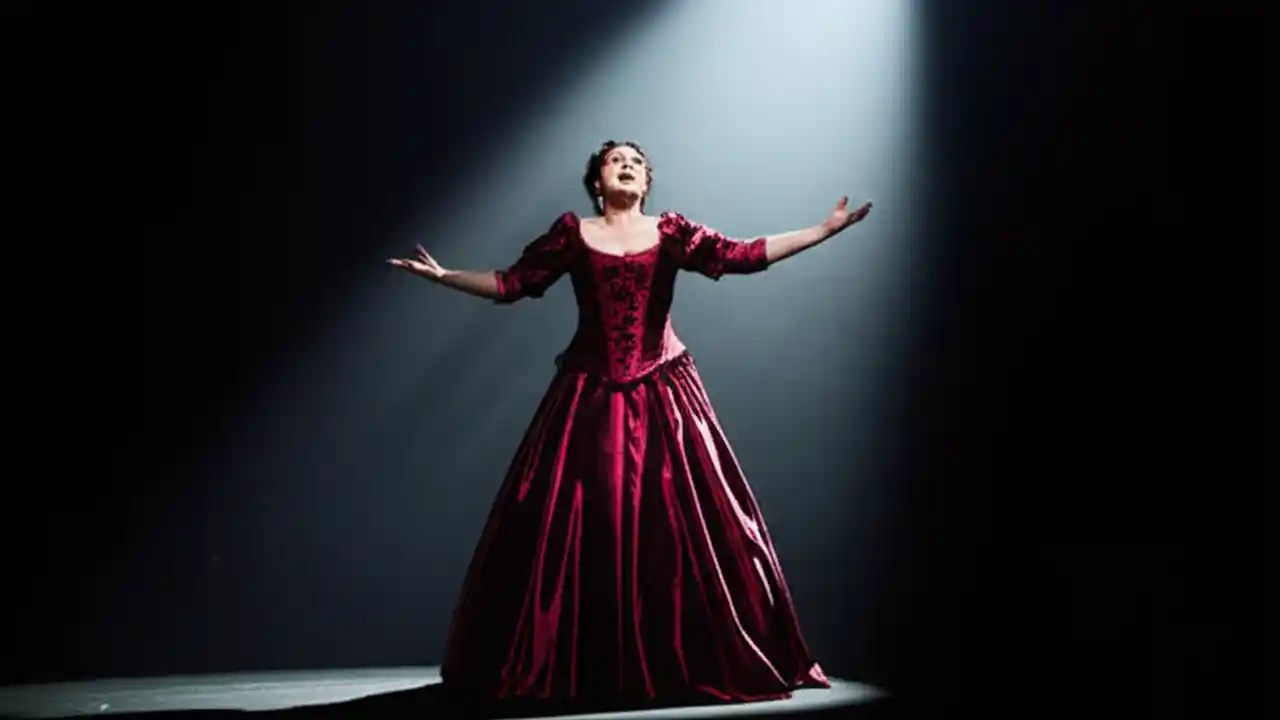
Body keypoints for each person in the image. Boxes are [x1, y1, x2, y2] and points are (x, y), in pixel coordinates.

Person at [387, 140, 872, 709]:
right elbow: (512, 284)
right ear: (597, 180)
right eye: (615, 159)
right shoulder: (572, 233)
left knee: (686, 530)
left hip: (664, 388)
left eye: (637, 162)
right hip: (587, 394)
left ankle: (682, 660)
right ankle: (578, 666)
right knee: (573, 526)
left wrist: (821, 231)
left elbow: (741, 256)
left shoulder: (671, 233)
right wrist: (444, 276)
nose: (627, 165)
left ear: (646, 183)